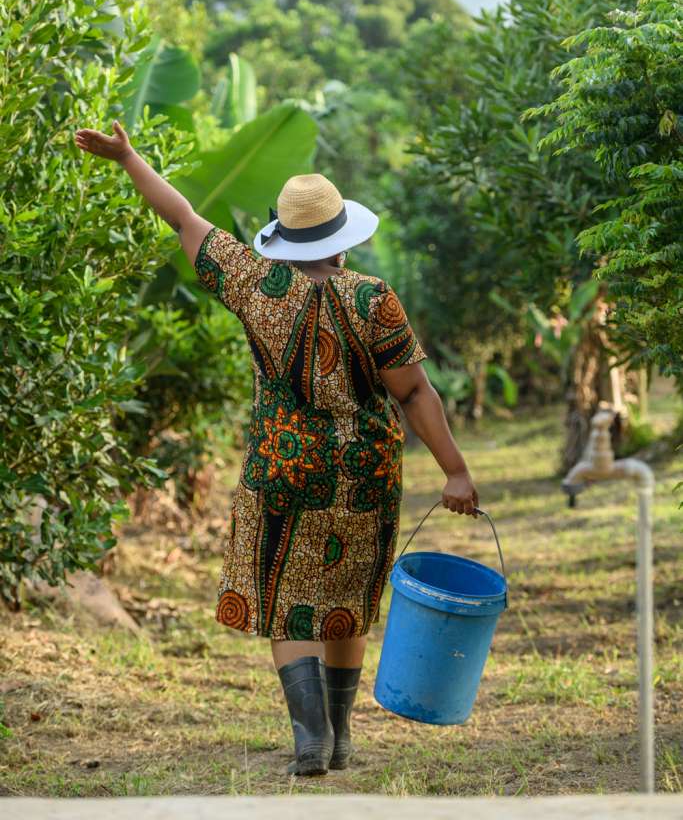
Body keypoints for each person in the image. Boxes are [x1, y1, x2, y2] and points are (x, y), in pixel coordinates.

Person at [74, 120, 479, 777]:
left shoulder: (251, 283)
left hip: (280, 468)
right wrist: (454, 470)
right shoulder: (373, 299)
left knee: (288, 600)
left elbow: (181, 216)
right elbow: (415, 393)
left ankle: (310, 735)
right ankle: (340, 735)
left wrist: (127, 156)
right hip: (363, 472)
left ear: (284, 238)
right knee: (345, 599)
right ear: (343, 239)